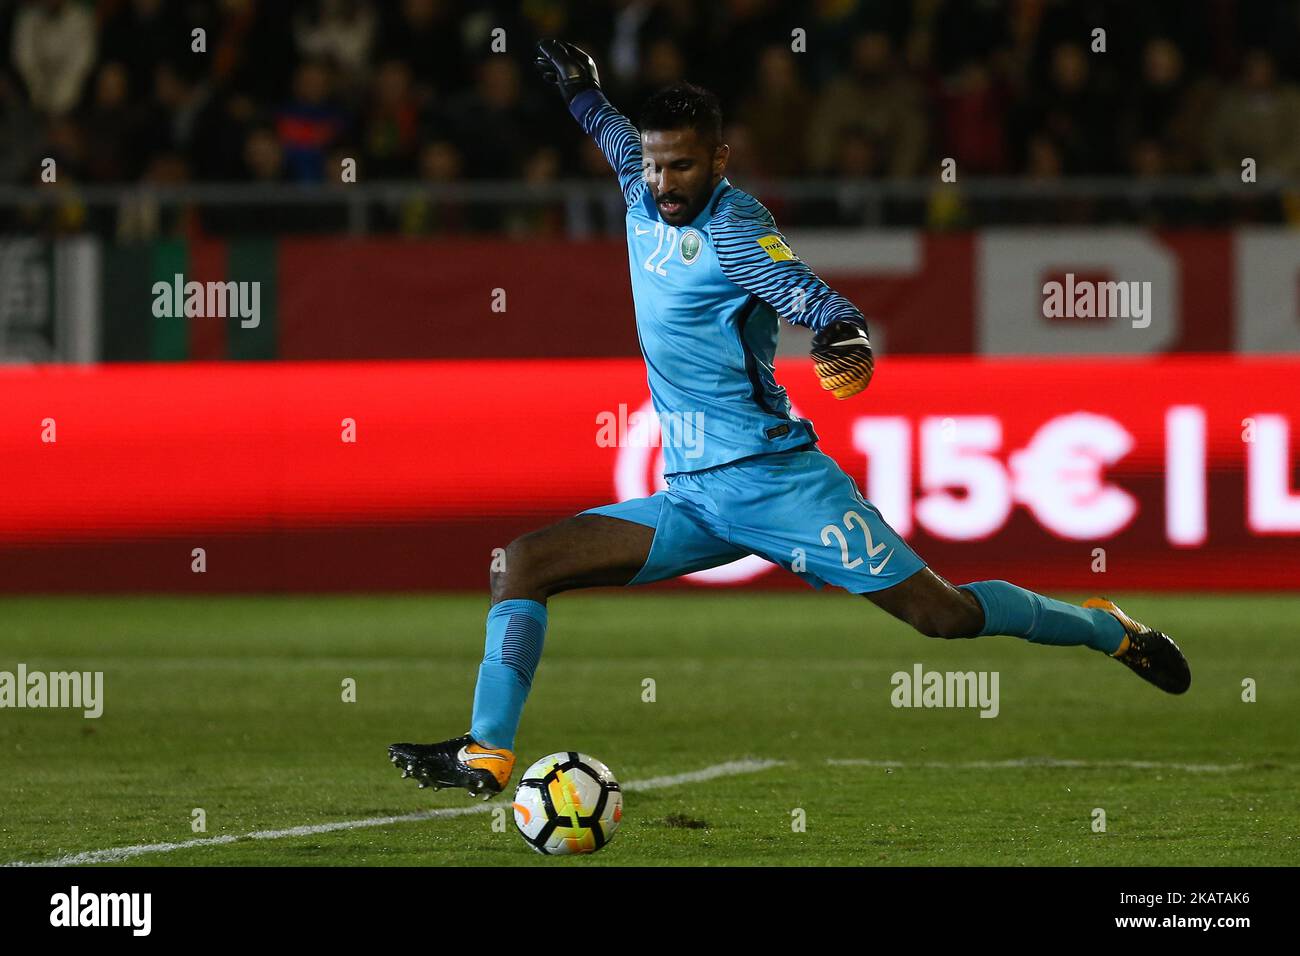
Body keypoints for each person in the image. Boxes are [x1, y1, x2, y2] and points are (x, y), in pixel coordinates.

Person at [389, 40, 1190, 799]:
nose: (665, 182)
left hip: (777, 484)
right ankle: (486, 753)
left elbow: (805, 292)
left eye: (684, 166)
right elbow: (613, 137)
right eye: (659, 163)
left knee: (944, 619)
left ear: (720, 161)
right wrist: (582, 90)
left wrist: (840, 329)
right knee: (523, 565)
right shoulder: (642, 182)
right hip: (693, 496)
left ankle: (1103, 628)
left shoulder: (736, 229)